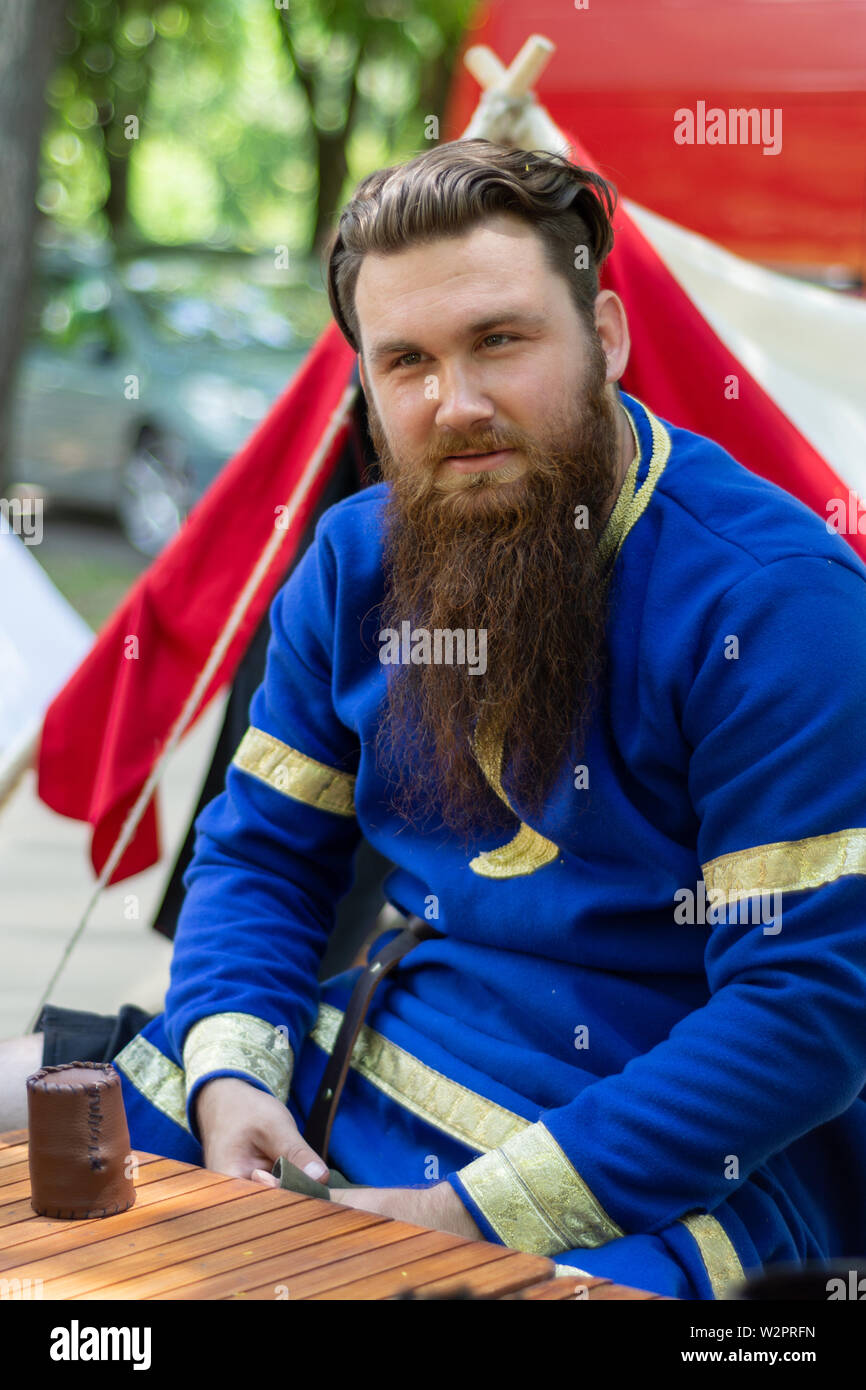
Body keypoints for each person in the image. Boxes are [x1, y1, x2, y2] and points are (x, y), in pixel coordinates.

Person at [3, 139, 866, 1300]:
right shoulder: (351, 558)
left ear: (604, 338)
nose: (453, 404)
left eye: (498, 340)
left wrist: (459, 1217)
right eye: (404, 360)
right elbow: (259, 852)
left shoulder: (775, 601)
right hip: (351, 1066)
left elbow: (801, 1008)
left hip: (669, 1164)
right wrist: (229, 1078)